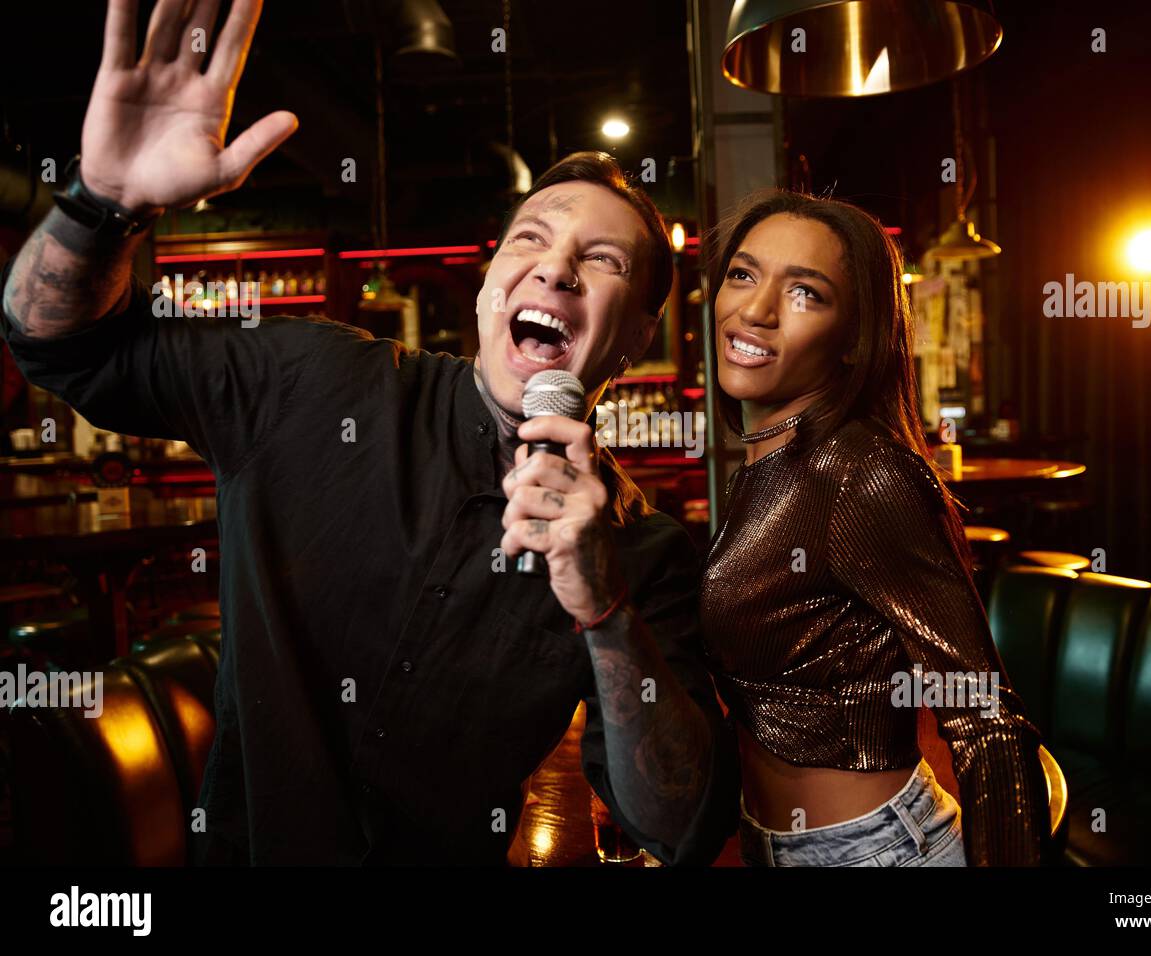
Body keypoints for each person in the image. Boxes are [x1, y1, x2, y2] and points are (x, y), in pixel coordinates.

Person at [0, 0, 737, 865]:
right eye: (529, 238)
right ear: (486, 287)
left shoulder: (642, 555)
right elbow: (63, 347)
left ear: (638, 337)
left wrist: (604, 610)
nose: (557, 264)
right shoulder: (316, 383)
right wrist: (100, 208)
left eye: (603, 260)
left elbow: (678, 824)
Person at [698, 189, 1051, 866]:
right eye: (743, 274)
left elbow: (985, 715)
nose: (755, 310)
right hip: (776, 846)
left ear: (854, 340)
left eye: (806, 293)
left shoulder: (863, 474)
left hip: (874, 853)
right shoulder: (770, 465)